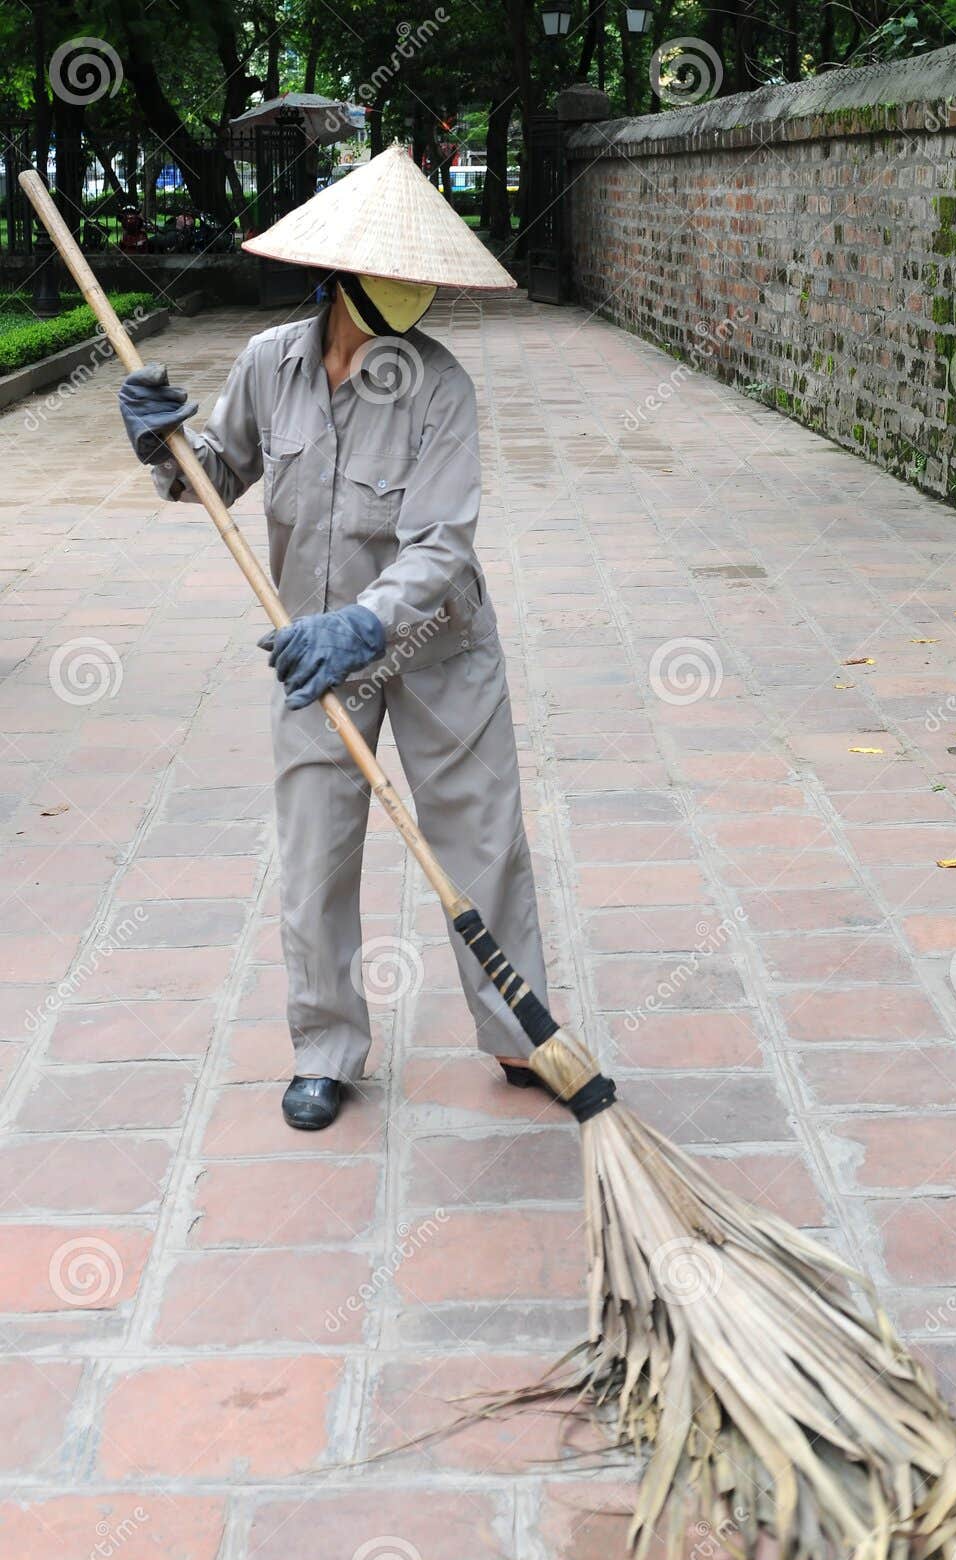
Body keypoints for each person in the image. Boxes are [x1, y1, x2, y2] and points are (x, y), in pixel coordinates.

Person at [117, 147, 549, 1131]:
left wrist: (367, 623)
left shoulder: (441, 387)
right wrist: (162, 444)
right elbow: (217, 473)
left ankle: (522, 1033)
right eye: (388, 272)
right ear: (339, 275)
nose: (409, 290)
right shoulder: (269, 364)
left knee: (482, 840)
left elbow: (441, 544)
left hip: (434, 644)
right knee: (315, 849)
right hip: (313, 654)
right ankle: (324, 1045)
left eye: (418, 275)